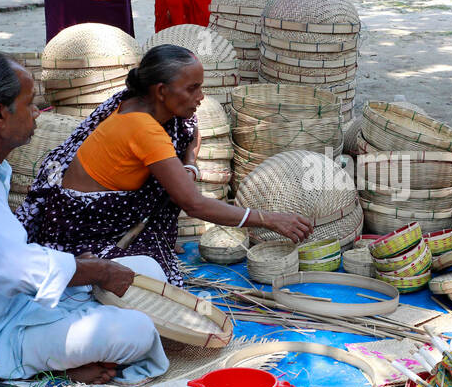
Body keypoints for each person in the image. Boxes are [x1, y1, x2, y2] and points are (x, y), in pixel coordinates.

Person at [0, 48, 168, 385]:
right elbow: (17, 268)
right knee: (135, 330)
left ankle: (62, 353)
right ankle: (42, 363)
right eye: (29, 103)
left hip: (4, 305)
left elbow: (4, 260)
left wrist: (84, 270)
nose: (37, 113)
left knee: (148, 271)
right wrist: (95, 270)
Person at [17, 45, 312, 285]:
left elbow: (190, 135)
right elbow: (193, 204)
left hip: (96, 222)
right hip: (80, 233)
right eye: (192, 88)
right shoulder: (144, 129)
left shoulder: (133, 103)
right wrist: (269, 218)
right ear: (160, 91)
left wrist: (190, 162)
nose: (200, 97)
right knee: (153, 277)